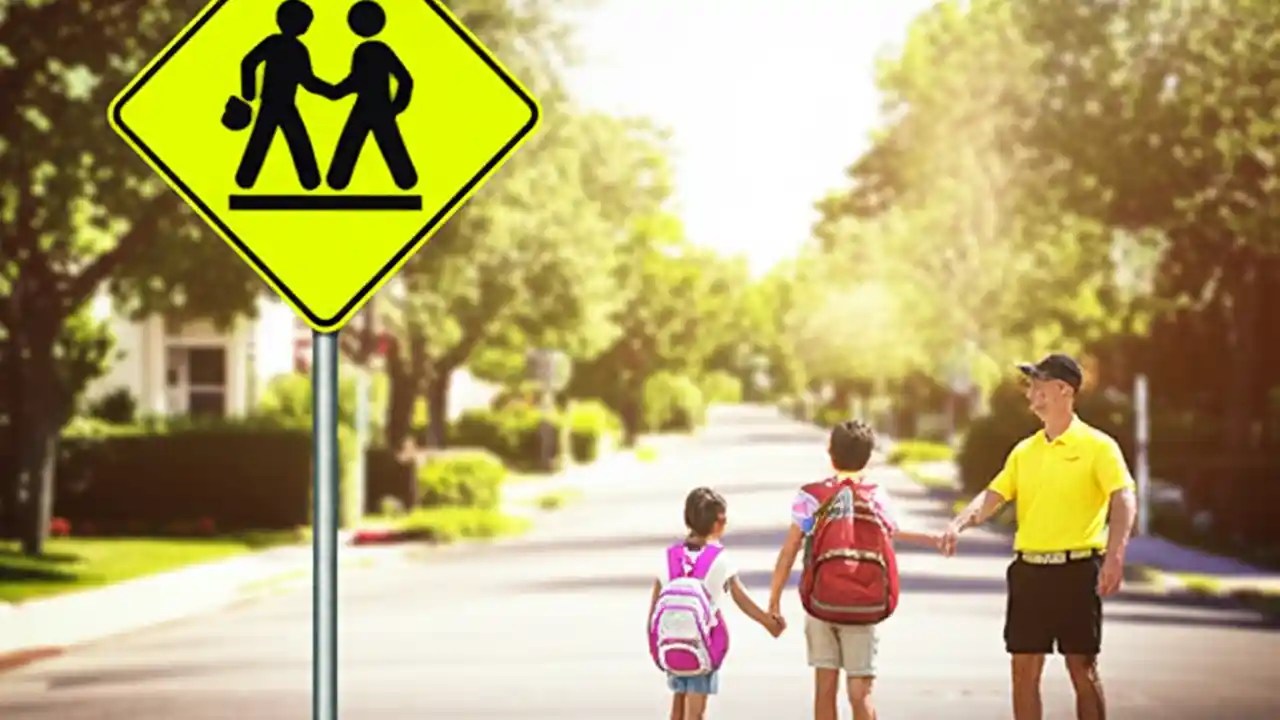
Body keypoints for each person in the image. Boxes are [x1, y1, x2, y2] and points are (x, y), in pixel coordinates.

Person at [941, 353, 1138, 720]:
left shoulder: (1098, 446)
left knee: (1082, 668)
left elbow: (1124, 497)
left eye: (1038, 385)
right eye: (1030, 385)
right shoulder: (1024, 451)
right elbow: (993, 495)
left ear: (1063, 390)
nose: (1031, 393)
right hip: (1029, 572)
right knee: (1023, 670)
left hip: (1077, 572)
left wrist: (1115, 556)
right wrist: (959, 523)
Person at [766, 420, 943, 720]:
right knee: (861, 693)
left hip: (821, 601)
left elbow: (789, 550)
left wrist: (774, 601)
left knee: (824, 689)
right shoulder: (876, 495)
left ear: (830, 452)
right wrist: (934, 539)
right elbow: (894, 532)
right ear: (869, 456)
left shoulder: (812, 496)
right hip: (864, 600)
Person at [648, 487, 783, 720]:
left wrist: (654, 643)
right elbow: (741, 598)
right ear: (717, 523)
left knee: (678, 703)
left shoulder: (669, 556)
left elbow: (655, 607)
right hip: (703, 644)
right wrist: (768, 622)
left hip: (671, 643)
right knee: (696, 712)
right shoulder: (719, 558)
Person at [234, 0, 332, 190]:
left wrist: (332, 91)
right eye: (305, 23)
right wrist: (249, 93)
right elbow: (249, 62)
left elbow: (307, 81)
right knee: (269, 140)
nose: (306, 27)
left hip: (284, 103)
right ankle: (245, 180)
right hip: (273, 103)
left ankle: (309, 181)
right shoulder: (277, 43)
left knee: (286, 139)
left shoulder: (298, 49)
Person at [323, 0, 418, 190]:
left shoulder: (377, 50)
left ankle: (406, 181)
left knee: (384, 143)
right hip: (370, 106)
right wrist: (334, 92)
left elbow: (405, 79)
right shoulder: (365, 51)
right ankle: (337, 182)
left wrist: (396, 107)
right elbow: (356, 80)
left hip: (378, 107)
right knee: (353, 142)